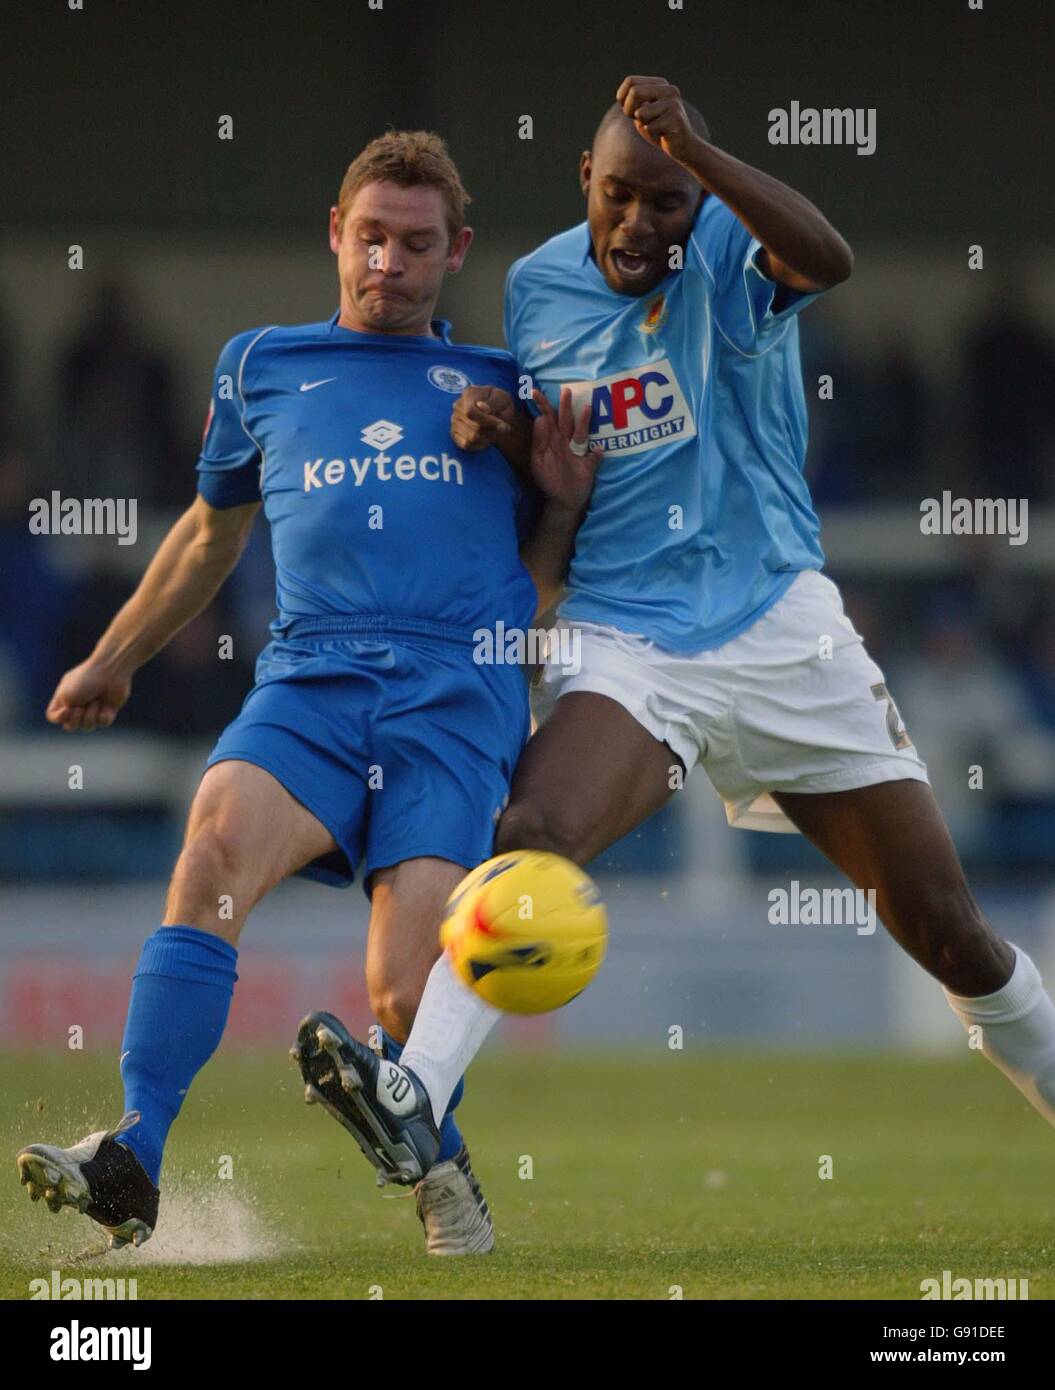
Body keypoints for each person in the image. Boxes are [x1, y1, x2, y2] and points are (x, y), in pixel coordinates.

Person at [316, 78, 1055, 1190]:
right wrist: (508, 437)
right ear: (584, 182)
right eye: (620, 197)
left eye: (665, 202)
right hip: (628, 635)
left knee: (948, 932)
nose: (639, 226)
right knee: (532, 826)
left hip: (776, 625)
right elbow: (569, 466)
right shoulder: (536, 288)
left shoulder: (729, 252)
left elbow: (831, 257)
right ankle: (414, 1096)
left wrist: (703, 164)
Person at [15, 130, 598, 1257]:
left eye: (416, 244)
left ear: (455, 251)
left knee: (399, 994)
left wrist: (556, 492)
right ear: (336, 233)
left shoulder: (503, 389)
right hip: (312, 674)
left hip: (452, 690)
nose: (389, 261)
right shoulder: (260, 367)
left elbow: (543, 583)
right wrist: (116, 655)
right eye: (370, 236)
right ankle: (135, 1148)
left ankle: (443, 1175)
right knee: (213, 848)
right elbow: (208, 532)